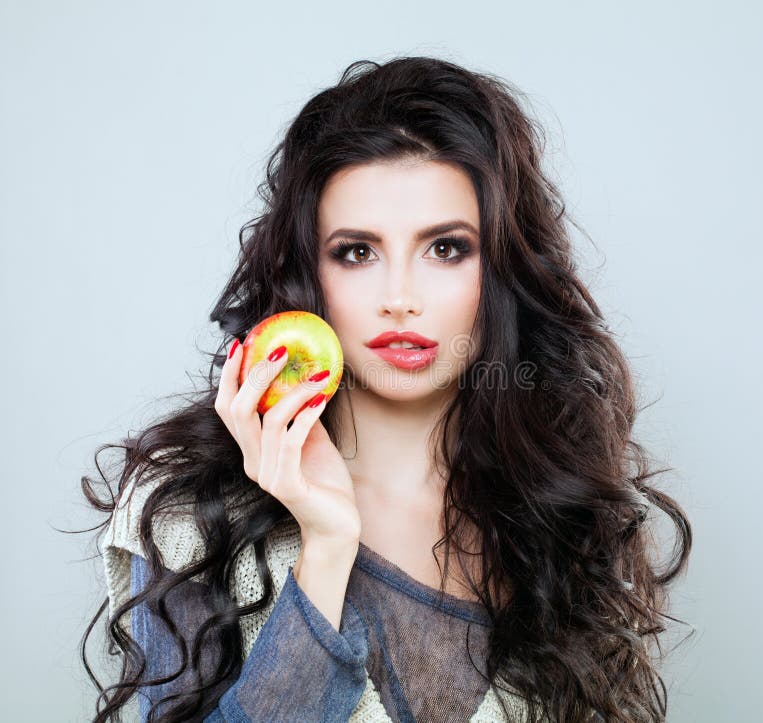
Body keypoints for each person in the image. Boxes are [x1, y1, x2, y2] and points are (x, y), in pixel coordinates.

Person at [80, 56, 692, 723]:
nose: (400, 299)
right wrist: (326, 546)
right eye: (356, 252)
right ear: (307, 272)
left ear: (502, 269)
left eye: (447, 248)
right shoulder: (186, 513)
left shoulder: (562, 505)